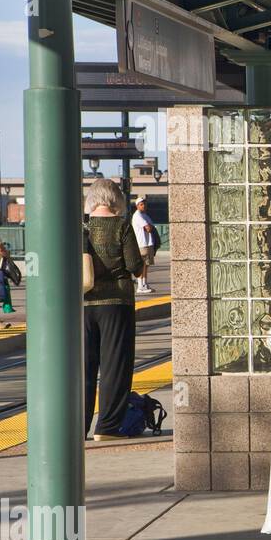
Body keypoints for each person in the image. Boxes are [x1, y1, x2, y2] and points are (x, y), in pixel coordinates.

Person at [83, 178, 144, 439]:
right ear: (115, 199)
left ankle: (78, 425)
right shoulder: (121, 226)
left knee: (84, 366)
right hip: (117, 303)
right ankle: (107, 427)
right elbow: (133, 265)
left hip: (84, 303)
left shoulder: (82, 227)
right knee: (114, 366)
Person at [130, 196, 159, 294]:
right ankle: (140, 285)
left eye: (144, 204)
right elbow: (149, 228)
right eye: (141, 204)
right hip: (142, 243)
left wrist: (150, 226)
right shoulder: (138, 215)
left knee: (146, 265)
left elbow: (150, 227)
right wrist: (150, 226)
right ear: (137, 206)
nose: (144, 206)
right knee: (142, 265)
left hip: (148, 243)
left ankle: (145, 284)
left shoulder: (145, 215)